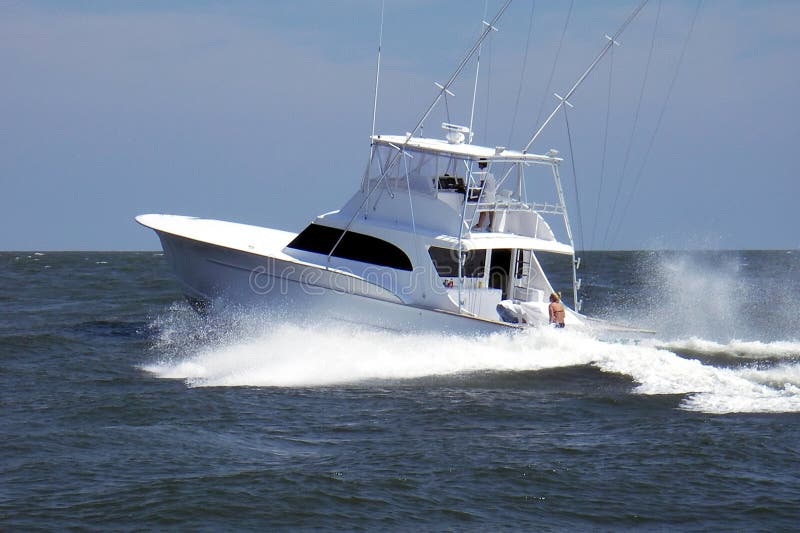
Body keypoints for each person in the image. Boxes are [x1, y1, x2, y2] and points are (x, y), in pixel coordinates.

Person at [472, 159, 496, 231]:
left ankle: (479, 226)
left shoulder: (483, 172)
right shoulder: (490, 172)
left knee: (483, 211)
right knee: (491, 210)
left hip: (486, 194)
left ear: (481, 164)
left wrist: (476, 192)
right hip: (492, 194)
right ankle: (491, 226)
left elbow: (482, 186)